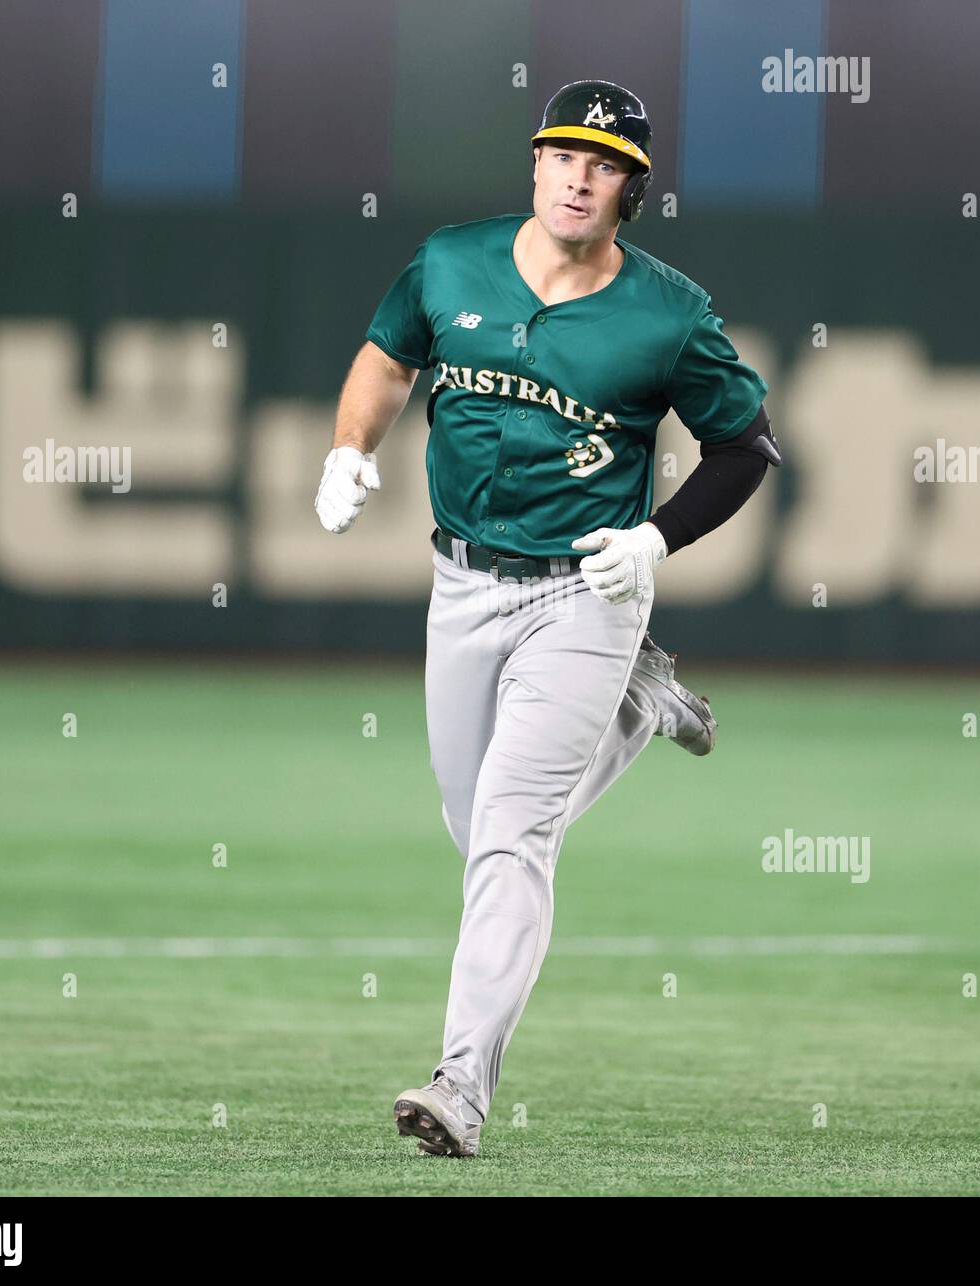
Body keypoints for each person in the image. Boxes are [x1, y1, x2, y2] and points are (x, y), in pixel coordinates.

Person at [314, 80, 779, 1155]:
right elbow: (387, 358)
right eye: (563, 154)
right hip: (463, 584)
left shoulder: (666, 311)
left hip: (586, 590)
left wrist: (655, 539)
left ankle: (459, 1086)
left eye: (604, 162)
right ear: (533, 162)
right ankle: (639, 710)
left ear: (632, 189)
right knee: (472, 828)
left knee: (512, 839)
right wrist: (349, 446)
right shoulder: (450, 260)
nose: (579, 175)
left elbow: (747, 446)